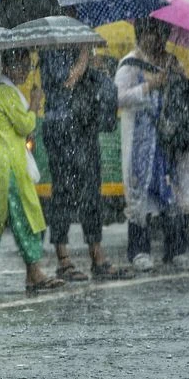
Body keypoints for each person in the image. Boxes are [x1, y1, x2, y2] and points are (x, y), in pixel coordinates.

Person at [0, 48, 65, 295]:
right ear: (11, 67)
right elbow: (25, 126)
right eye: (24, 65)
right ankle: (35, 272)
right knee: (26, 219)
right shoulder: (7, 94)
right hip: (9, 168)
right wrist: (33, 105)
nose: (27, 71)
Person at [40, 46, 134, 281]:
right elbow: (67, 83)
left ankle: (96, 254)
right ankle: (63, 259)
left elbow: (93, 86)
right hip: (61, 131)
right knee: (62, 193)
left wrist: (96, 67)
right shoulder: (50, 48)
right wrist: (82, 60)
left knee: (91, 194)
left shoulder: (80, 41)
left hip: (85, 130)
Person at [115, 18, 189, 273]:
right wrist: (149, 86)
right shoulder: (130, 64)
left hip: (168, 142)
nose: (158, 40)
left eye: (162, 34)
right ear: (141, 35)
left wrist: (180, 78)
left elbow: (187, 94)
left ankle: (176, 250)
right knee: (140, 195)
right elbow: (118, 98)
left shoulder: (171, 61)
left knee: (171, 194)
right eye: (152, 34)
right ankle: (138, 251)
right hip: (142, 144)